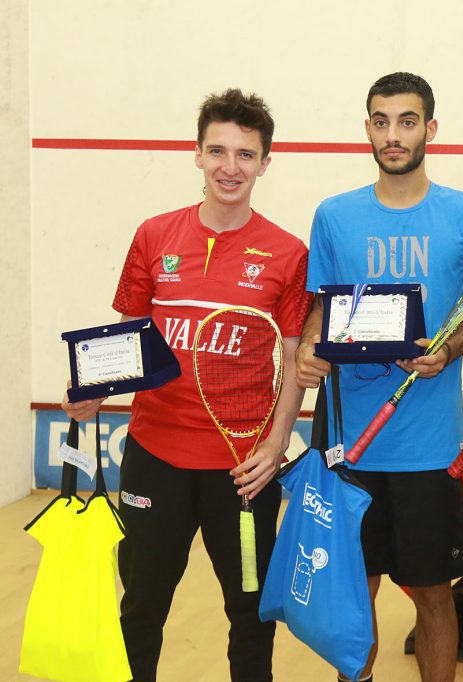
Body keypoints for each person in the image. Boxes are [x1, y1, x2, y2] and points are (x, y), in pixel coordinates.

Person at [62, 89, 310, 682]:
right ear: (196, 155)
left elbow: (295, 359)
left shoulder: (288, 253)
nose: (231, 166)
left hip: (244, 473)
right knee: (142, 604)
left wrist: (276, 448)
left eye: (246, 155)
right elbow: (127, 335)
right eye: (218, 151)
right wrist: (91, 387)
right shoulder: (154, 236)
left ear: (265, 163)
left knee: (250, 614)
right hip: (154, 459)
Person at [295, 72, 463, 682]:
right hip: (349, 446)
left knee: (433, 595)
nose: (393, 134)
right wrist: (308, 351)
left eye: (407, 121)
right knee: (354, 594)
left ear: (430, 129)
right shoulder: (334, 215)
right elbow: (317, 312)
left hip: (429, 449)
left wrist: (449, 347)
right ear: (367, 129)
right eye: (380, 121)